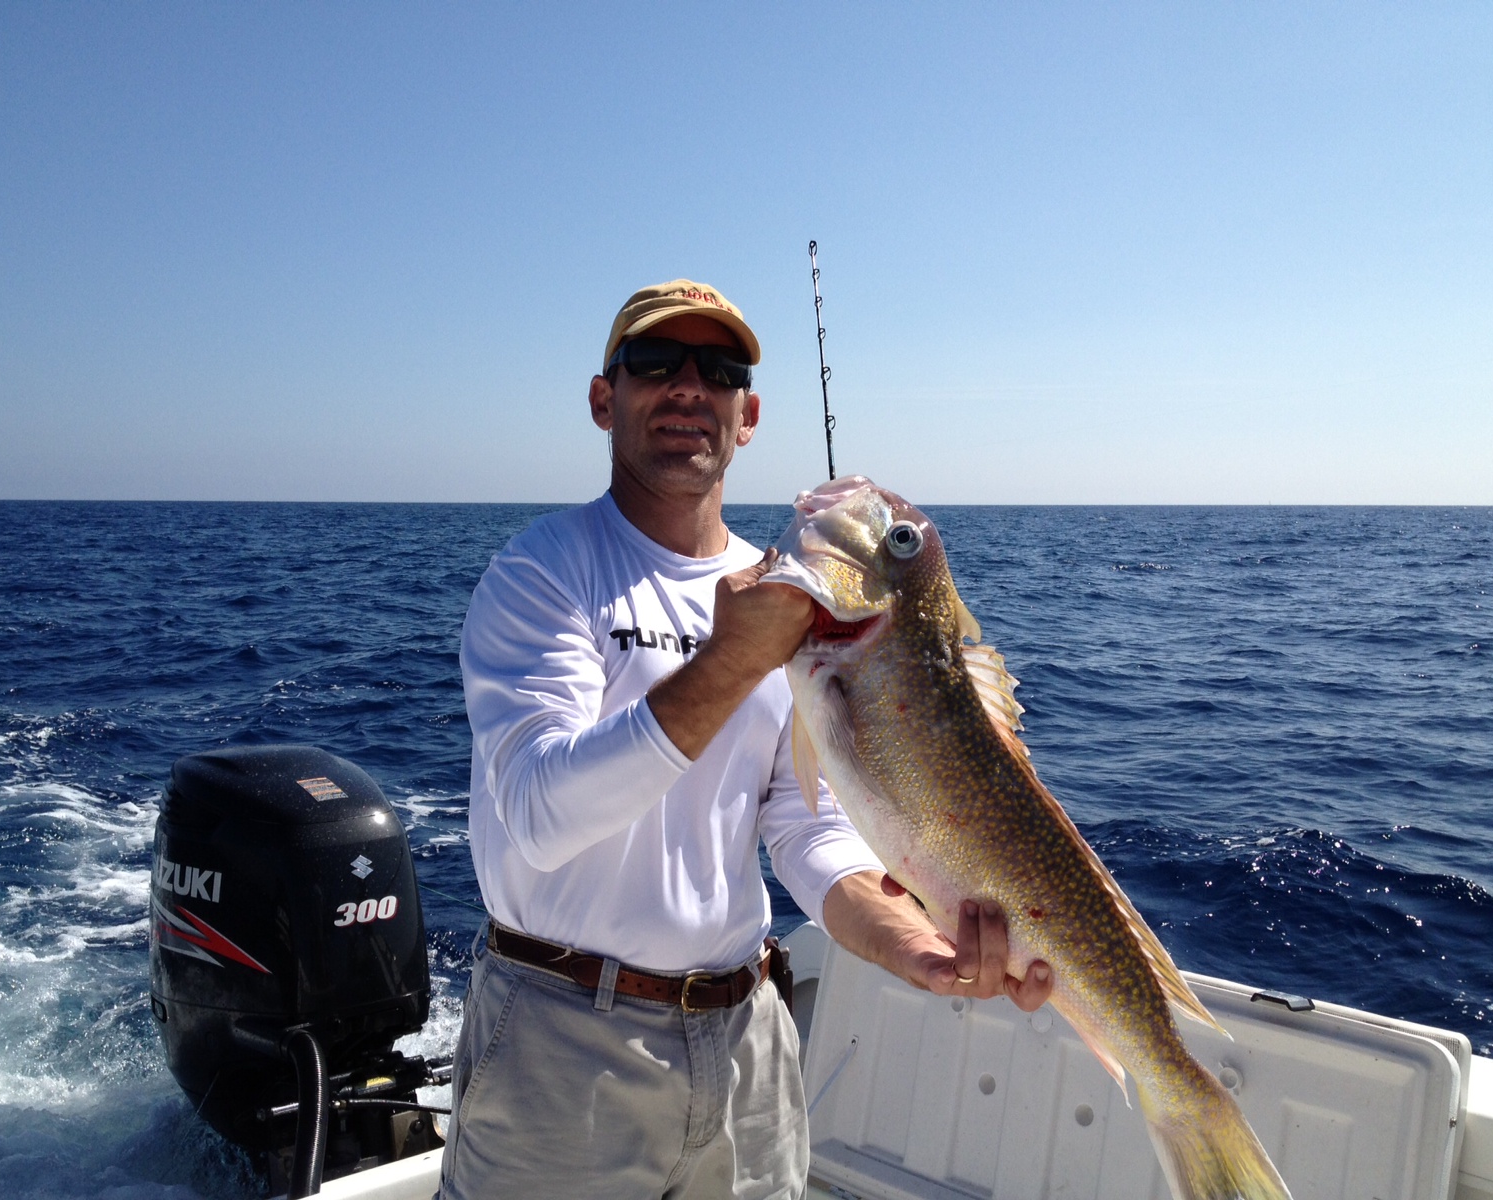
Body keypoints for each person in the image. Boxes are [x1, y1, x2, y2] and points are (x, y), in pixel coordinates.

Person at [441, 279, 1053, 1200]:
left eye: (720, 370)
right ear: (604, 399)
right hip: (562, 1044)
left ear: (749, 416)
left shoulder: (789, 605)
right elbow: (538, 814)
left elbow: (805, 827)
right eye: (655, 362)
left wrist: (912, 947)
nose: (689, 386)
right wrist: (731, 660)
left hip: (747, 1042)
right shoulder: (542, 573)